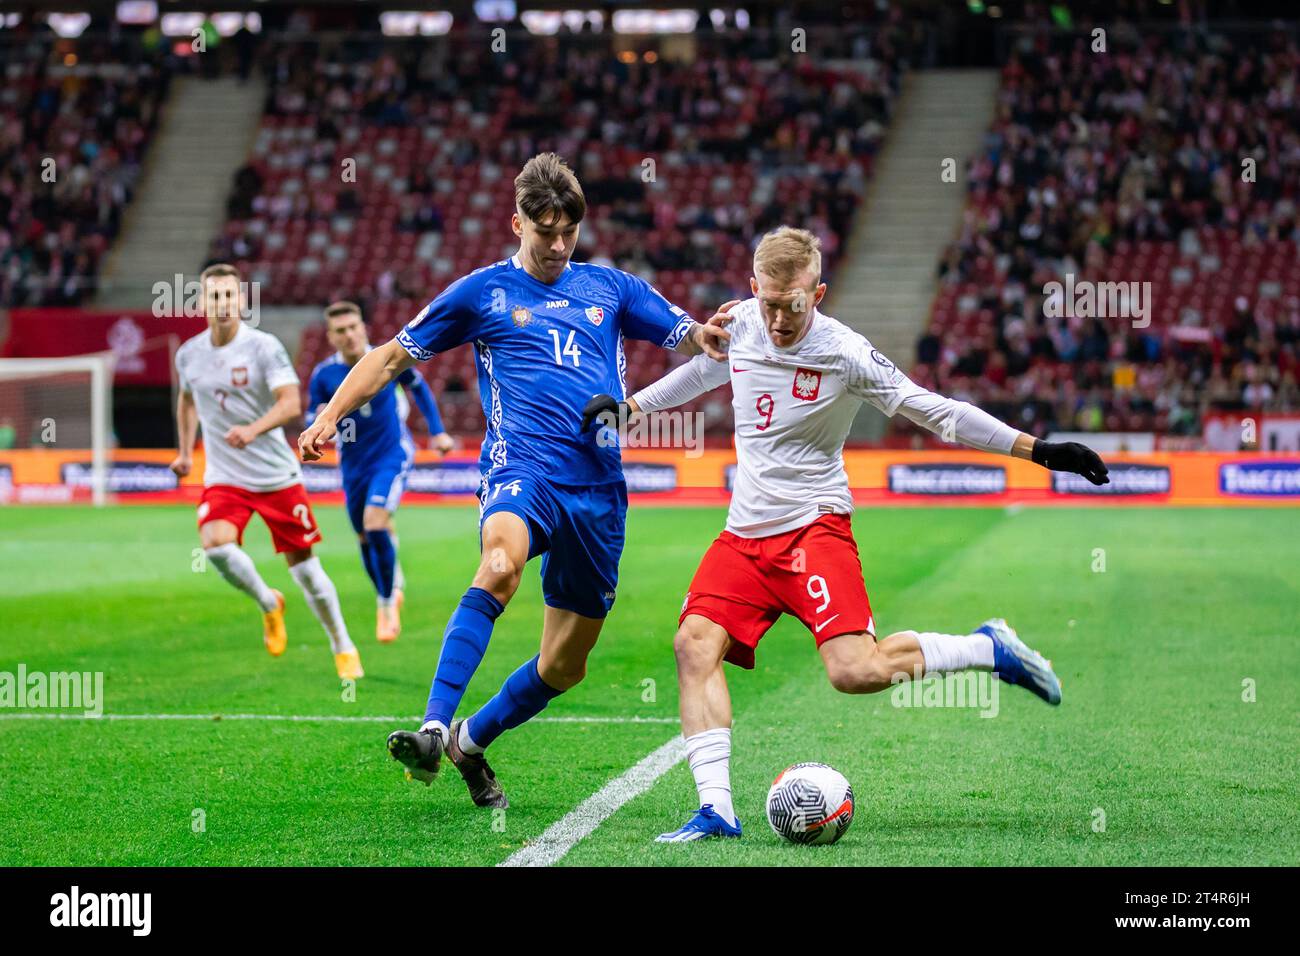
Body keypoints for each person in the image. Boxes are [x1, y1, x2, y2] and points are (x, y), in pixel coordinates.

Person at [171, 264, 361, 680]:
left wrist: (253, 429)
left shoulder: (263, 347)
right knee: (216, 547)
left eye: (229, 296)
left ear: (241, 301)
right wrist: (186, 452)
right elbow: (187, 401)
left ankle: (342, 643)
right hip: (224, 476)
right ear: (202, 303)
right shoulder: (189, 354)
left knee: (307, 570)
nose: (221, 304)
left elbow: (291, 404)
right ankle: (269, 602)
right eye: (213, 297)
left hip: (276, 476)